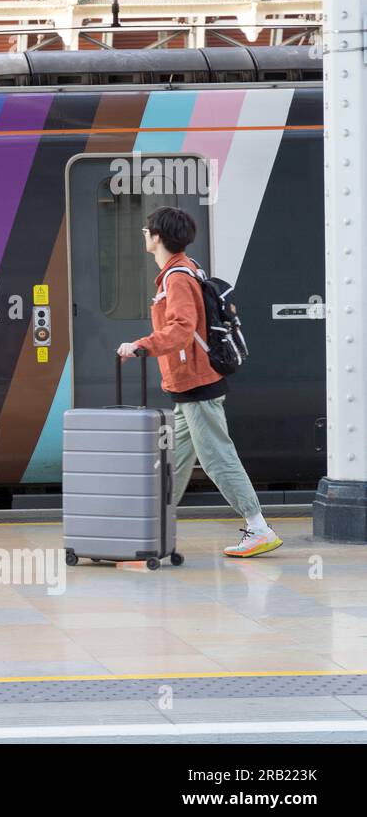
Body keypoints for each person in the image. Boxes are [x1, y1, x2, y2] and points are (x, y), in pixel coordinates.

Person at [117, 206, 282, 558]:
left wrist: (141, 346)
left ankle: (258, 528)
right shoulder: (182, 270)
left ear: (158, 236)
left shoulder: (177, 276)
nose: (144, 234)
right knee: (171, 460)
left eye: (147, 230)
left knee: (215, 457)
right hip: (186, 384)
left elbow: (181, 328)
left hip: (197, 382)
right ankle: (151, 527)